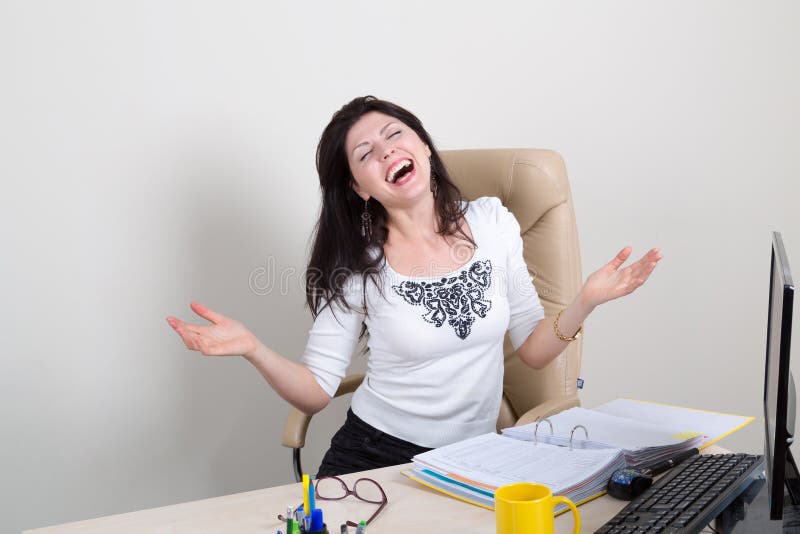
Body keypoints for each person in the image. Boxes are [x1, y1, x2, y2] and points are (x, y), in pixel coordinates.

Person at [166, 96, 662, 477]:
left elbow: (532, 350)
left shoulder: (493, 223)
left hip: (472, 458)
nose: (387, 152)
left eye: (394, 135)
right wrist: (254, 348)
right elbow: (316, 390)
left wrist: (586, 301)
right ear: (360, 187)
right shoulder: (357, 265)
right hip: (374, 456)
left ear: (423, 146)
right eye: (366, 154)